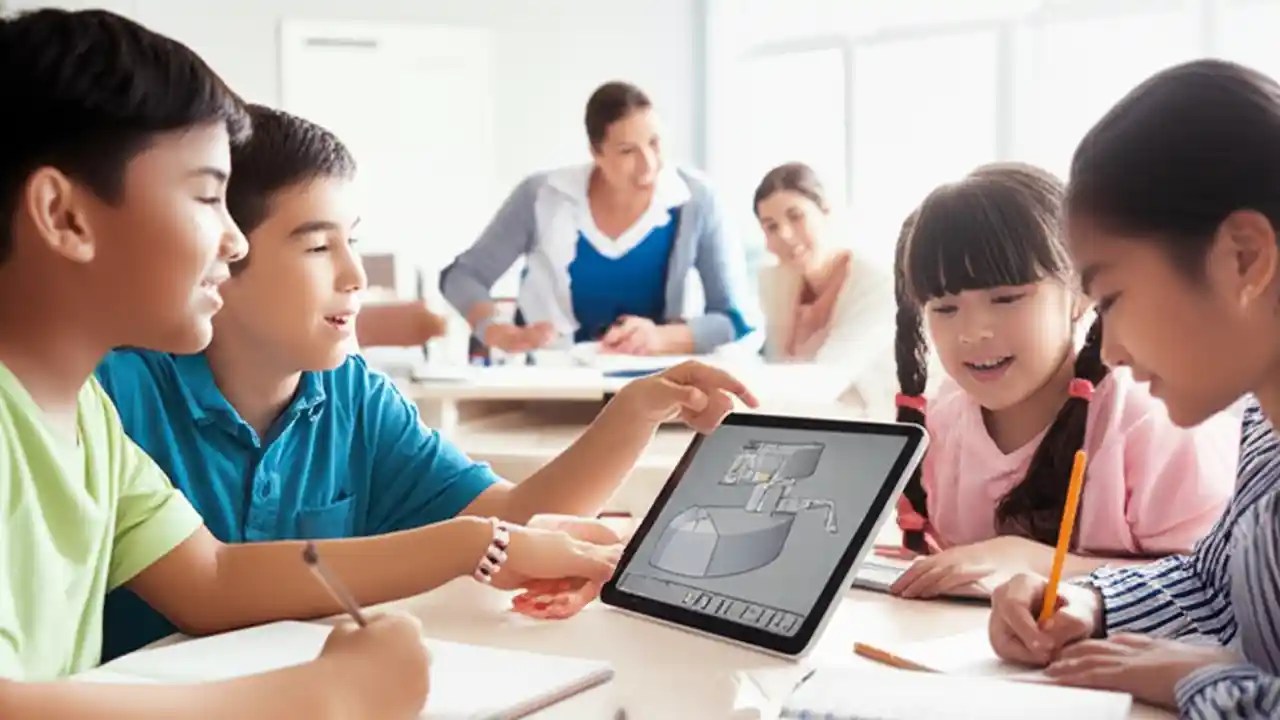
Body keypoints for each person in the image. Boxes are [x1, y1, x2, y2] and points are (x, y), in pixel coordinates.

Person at [0, 11, 618, 719]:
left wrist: (479, 542)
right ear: (65, 216)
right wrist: (317, 695)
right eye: (207, 197)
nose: (232, 243)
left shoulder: (85, 416)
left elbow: (211, 578)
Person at [96, 104, 760, 659]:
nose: (355, 274)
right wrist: (470, 545)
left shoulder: (351, 396)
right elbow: (211, 587)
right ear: (223, 252)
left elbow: (511, 519)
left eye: (354, 240)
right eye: (319, 246)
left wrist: (635, 412)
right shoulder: (118, 392)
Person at [986, 59, 1280, 718]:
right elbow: (1214, 579)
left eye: (1111, 297)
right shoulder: (1266, 423)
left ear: (1244, 259)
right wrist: (1091, 605)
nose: (1111, 352)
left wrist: (1206, 681)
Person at [882, 162, 1237, 601]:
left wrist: (1036, 561)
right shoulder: (940, 423)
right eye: (945, 308)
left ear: (1081, 292)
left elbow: (1219, 587)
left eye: (1007, 298)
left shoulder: (1157, 421)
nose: (972, 332)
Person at [440, 81, 761, 356]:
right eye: (626, 150)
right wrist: (497, 331)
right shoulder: (541, 196)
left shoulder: (697, 201)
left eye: (654, 143)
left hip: (646, 387)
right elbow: (462, 278)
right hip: (547, 383)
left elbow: (732, 319)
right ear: (596, 152)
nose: (647, 163)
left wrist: (660, 338)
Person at [753, 162, 897, 418]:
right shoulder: (773, 283)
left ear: (826, 212)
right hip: (802, 420)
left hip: (877, 425)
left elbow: (829, 379)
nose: (784, 234)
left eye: (796, 216)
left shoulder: (877, 284)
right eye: (771, 226)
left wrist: (739, 379)